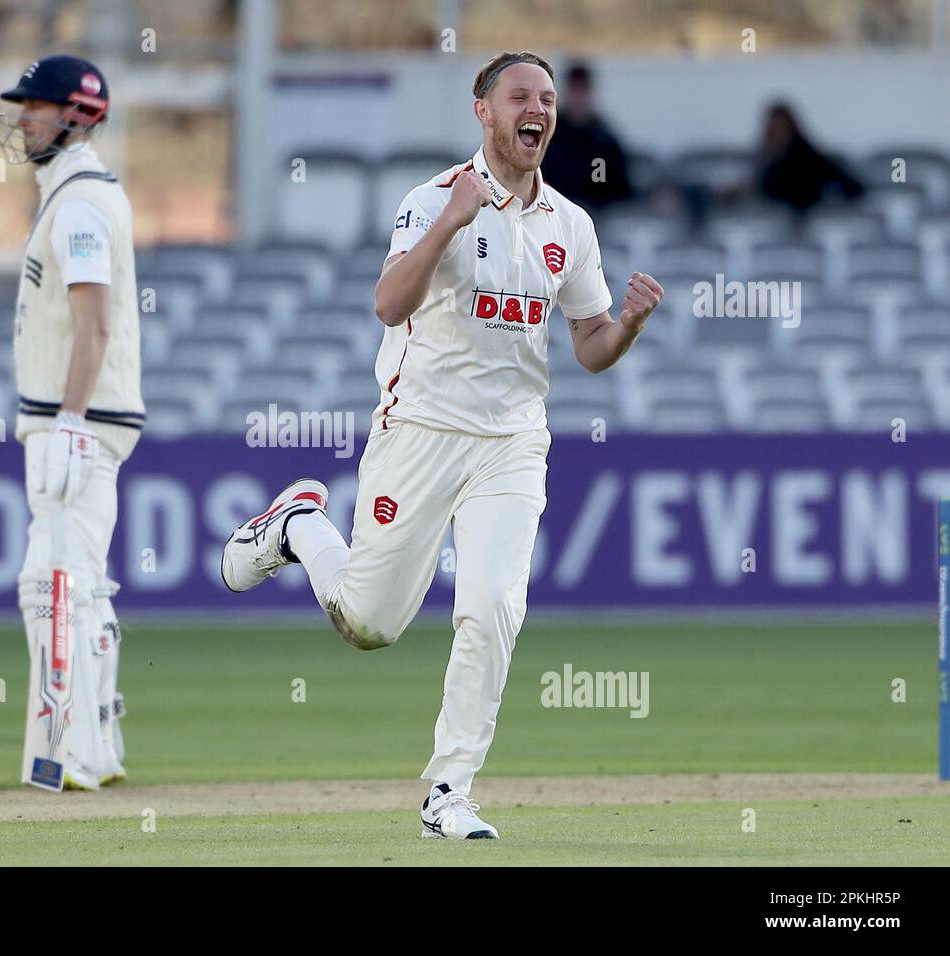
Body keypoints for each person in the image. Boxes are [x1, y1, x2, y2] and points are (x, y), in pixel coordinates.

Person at [221, 51, 663, 839]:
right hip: (420, 429)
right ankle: (297, 526)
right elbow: (390, 304)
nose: (539, 109)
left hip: (513, 442)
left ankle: (447, 792)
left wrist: (625, 326)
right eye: (520, 96)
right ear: (484, 112)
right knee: (371, 623)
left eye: (549, 99)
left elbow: (590, 345)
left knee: (494, 606)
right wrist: (454, 221)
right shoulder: (431, 200)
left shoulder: (570, 225)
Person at [0, 54, 144, 790]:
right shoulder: (72, 194)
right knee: (80, 583)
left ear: (78, 115)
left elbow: (95, 325)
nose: (23, 117)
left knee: (55, 585)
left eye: (37, 105)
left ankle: (68, 754)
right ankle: (100, 744)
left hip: (79, 421)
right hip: (79, 419)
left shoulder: (81, 202)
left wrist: (71, 421)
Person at [538, 62, 632, 211]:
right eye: (574, 90)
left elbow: (619, 186)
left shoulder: (604, 139)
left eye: (583, 90)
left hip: (598, 215)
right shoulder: (545, 136)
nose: (578, 97)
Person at [756, 101, 863, 214]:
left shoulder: (806, 161)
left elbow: (852, 188)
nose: (773, 134)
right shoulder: (773, 161)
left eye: (777, 128)